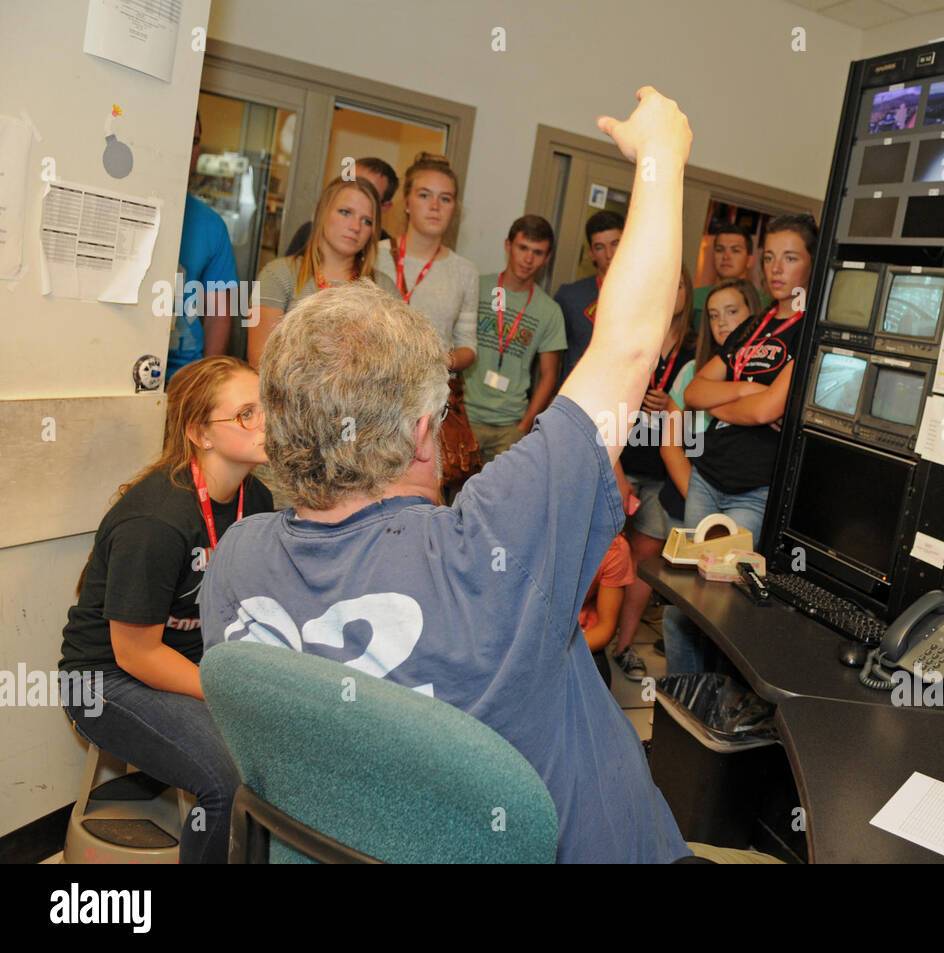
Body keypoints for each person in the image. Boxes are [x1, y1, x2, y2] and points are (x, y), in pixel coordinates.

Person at [200, 87, 694, 863]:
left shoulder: (236, 560)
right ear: (422, 431)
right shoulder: (485, 546)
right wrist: (663, 151)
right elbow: (629, 347)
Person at [59, 356, 273, 863]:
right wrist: (232, 694)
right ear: (201, 434)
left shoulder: (257, 499)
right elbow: (136, 654)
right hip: (106, 679)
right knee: (228, 780)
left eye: (268, 406)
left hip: (190, 661)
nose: (267, 422)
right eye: (246, 413)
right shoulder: (158, 519)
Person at [663, 214, 818, 674]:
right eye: (769, 258)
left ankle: (715, 707)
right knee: (681, 606)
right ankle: (678, 706)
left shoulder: (810, 332)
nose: (776, 268)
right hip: (707, 479)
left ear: (813, 263)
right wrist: (749, 392)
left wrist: (735, 400)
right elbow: (695, 393)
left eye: (790, 258)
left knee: (722, 610)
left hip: (754, 491)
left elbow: (767, 410)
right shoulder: (754, 326)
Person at [608, 263, 696, 681]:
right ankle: (584, 638)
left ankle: (624, 646)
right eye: (664, 283)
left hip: (664, 472)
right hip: (618, 462)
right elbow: (606, 404)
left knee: (644, 560)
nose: (671, 292)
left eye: (679, 285)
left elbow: (699, 422)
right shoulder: (633, 337)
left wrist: (674, 409)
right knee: (601, 552)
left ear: (687, 293)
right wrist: (616, 469)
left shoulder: (698, 349)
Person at [245, 176, 396, 369]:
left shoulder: (383, 288)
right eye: (345, 212)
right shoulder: (278, 275)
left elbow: (396, 366)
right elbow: (260, 362)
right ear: (322, 213)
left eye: (366, 221)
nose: (355, 227)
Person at [658, 278, 763, 531]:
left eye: (732, 311)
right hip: (688, 498)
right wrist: (701, 501)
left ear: (754, 314)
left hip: (745, 499)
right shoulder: (693, 371)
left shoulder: (767, 373)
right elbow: (670, 446)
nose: (722, 322)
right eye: (714, 316)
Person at [463, 215, 566, 463]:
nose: (528, 259)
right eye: (523, 248)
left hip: (510, 426)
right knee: (451, 487)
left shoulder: (549, 311)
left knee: (500, 490)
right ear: (508, 245)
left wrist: (523, 427)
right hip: (465, 416)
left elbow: (549, 375)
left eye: (537, 252)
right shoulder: (477, 287)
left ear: (547, 258)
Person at [374, 153, 478, 373]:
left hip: (432, 387)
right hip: (374, 383)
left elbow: (468, 345)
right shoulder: (374, 255)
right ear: (407, 202)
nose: (435, 206)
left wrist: (439, 363)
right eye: (424, 195)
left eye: (445, 199)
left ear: (454, 208)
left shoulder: (465, 271)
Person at [166, 115, 239, 383]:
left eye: (195, 141)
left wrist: (205, 384)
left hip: (184, 375)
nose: (189, 150)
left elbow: (219, 315)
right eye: (182, 138)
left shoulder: (211, 225)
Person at [554, 210, 623, 385]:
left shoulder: (644, 297)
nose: (609, 254)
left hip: (622, 392)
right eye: (600, 247)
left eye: (615, 244)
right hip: (576, 392)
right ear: (591, 253)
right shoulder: (570, 297)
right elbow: (551, 356)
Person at [285, 157, 397, 256]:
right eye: (348, 184)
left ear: (384, 207)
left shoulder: (388, 253)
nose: (355, 227)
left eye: (368, 193)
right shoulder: (308, 233)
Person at [689, 221, 769, 332]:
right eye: (720, 250)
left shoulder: (765, 302)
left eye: (735, 251)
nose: (726, 256)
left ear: (750, 260)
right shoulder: (694, 298)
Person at [581, 536, 636, 689]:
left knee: (596, 686)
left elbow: (605, 627)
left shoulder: (613, 547)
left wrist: (556, 653)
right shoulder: (528, 537)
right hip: (530, 634)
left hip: (580, 635)